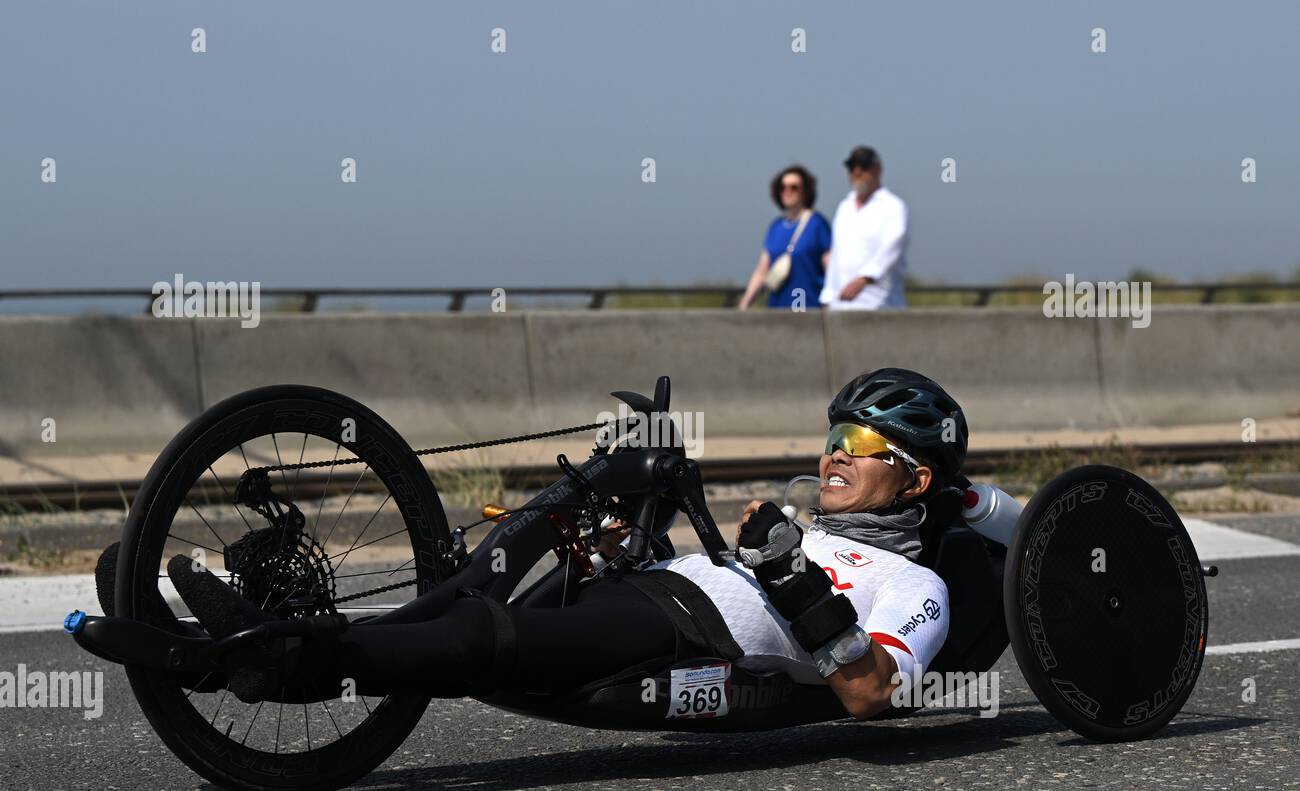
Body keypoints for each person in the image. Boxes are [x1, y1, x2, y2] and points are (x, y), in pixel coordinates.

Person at [168, 369, 967, 721]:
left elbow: (870, 695)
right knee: (461, 597)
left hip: (688, 633)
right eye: (833, 435)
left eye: (858, 441)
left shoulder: (915, 585)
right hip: (655, 592)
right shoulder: (801, 530)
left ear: (916, 480)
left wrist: (792, 576)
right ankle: (222, 644)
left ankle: (285, 665)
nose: (833, 453)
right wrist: (634, 541)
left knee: (481, 637)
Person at [821, 146, 909, 310]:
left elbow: (892, 247)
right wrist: (828, 295)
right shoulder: (844, 207)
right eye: (852, 167)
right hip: (841, 307)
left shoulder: (893, 206)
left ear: (878, 170)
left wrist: (864, 278)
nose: (857, 172)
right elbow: (836, 254)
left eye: (863, 167)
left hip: (880, 306)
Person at [738, 165, 832, 310]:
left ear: (805, 192)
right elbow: (762, 270)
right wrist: (744, 304)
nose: (787, 192)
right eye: (783, 187)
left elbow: (830, 268)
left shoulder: (817, 224)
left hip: (805, 306)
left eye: (794, 187)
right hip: (777, 307)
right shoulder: (776, 227)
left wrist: (832, 304)